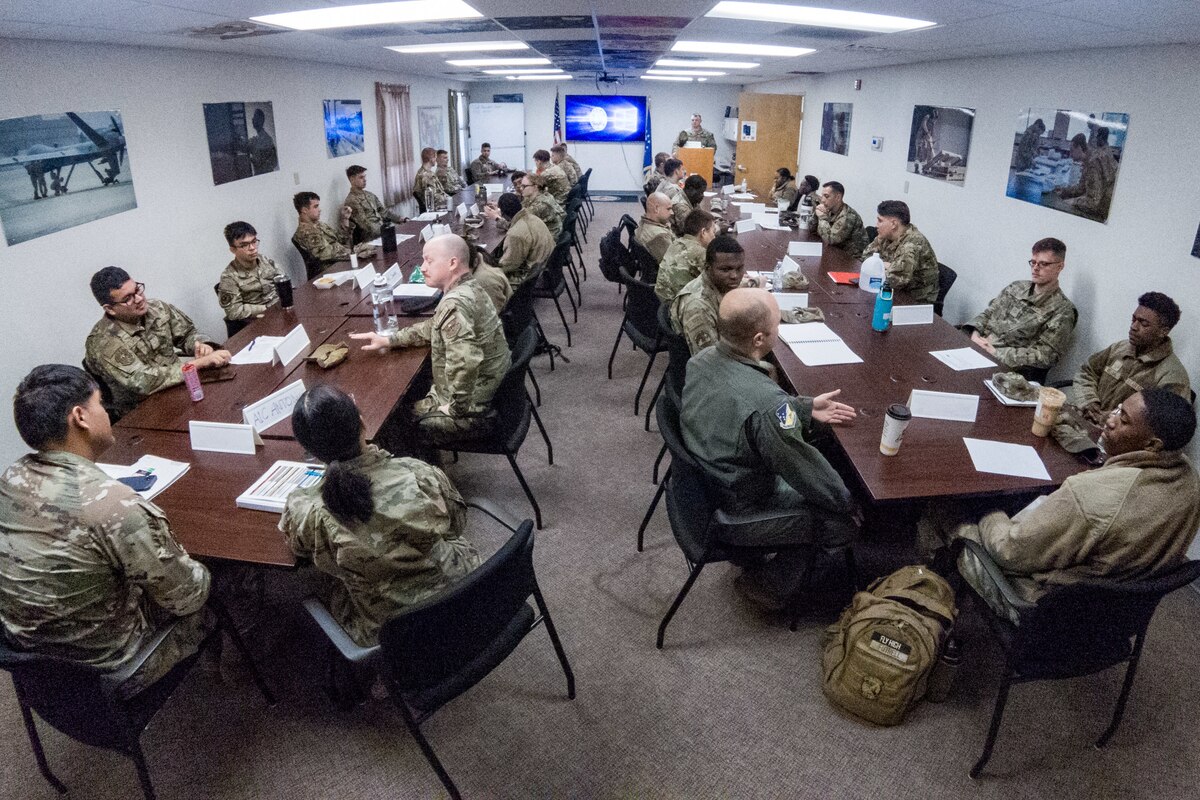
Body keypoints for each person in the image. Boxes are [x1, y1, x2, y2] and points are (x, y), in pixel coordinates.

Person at [0, 365, 211, 698]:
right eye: (101, 403)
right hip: (115, 670)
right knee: (224, 578)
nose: (108, 412)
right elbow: (189, 596)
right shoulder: (115, 506)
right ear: (80, 417)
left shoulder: (10, 479)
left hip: (33, 664)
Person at [921, 389, 1200, 625]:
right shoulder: (1190, 481)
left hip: (1040, 607)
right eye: (1116, 410)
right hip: (1118, 615)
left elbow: (1008, 551)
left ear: (1152, 444)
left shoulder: (1091, 496)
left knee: (947, 503)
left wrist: (989, 507)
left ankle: (923, 596)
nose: (1110, 420)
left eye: (1123, 420)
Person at [681, 288, 857, 608]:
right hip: (742, 506)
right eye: (778, 325)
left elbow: (749, 399)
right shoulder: (769, 408)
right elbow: (805, 471)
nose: (780, 330)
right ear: (760, 339)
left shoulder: (700, 360)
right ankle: (771, 587)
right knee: (841, 521)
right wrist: (849, 503)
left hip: (703, 490)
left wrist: (803, 408)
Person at [279, 385, 482, 648]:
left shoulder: (306, 508)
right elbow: (456, 525)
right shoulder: (418, 473)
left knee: (326, 583)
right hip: (464, 594)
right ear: (362, 423)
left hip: (393, 631)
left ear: (310, 452)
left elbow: (302, 551)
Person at [350, 234, 511, 448]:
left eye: (429, 261)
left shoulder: (454, 304)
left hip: (473, 411)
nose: (423, 267)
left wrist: (456, 408)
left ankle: (424, 476)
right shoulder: (470, 287)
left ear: (453, 263)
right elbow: (432, 326)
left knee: (387, 425)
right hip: (489, 391)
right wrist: (389, 340)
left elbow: (466, 361)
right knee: (408, 398)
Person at [84, 267, 230, 419]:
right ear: (110, 309)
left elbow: (187, 334)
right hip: (142, 410)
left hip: (179, 386)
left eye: (137, 290)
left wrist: (199, 345)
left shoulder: (157, 308)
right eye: (128, 299)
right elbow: (144, 382)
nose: (139, 299)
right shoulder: (104, 341)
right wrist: (198, 364)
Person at [672, 236, 823, 354]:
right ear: (708, 268)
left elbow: (742, 285)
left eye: (740, 268)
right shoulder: (698, 306)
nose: (734, 276)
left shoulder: (720, 284)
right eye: (726, 269)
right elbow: (709, 364)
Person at [963, 237, 1077, 377]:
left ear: (1060, 267)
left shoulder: (1062, 310)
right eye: (1033, 262)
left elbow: (1046, 355)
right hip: (977, 348)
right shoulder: (1016, 287)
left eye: (1044, 264)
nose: (1035, 268)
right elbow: (988, 312)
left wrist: (996, 353)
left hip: (1007, 369)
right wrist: (975, 334)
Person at [862, 200, 940, 303]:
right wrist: (884, 264)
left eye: (880, 221)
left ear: (894, 224)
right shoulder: (888, 235)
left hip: (915, 301)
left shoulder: (912, 244)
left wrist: (881, 265)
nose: (876, 225)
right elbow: (865, 258)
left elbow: (895, 280)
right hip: (895, 291)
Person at [483, 192, 555, 288]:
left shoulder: (515, 235)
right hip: (544, 265)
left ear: (503, 213)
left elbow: (508, 265)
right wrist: (497, 218)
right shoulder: (532, 218)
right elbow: (516, 226)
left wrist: (486, 267)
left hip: (529, 276)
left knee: (484, 279)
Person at [217, 220, 282, 324]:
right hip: (259, 321)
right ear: (233, 250)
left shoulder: (265, 260)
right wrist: (266, 308)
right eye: (244, 245)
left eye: (254, 241)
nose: (252, 248)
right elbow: (234, 312)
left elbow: (283, 281)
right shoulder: (229, 277)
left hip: (281, 310)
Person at [292, 191, 375, 267]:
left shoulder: (319, 225)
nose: (319, 210)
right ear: (304, 210)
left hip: (342, 261)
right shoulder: (305, 232)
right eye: (315, 207)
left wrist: (345, 219)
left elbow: (341, 240)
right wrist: (355, 252)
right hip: (329, 269)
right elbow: (326, 254)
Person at [655, 208, 717, 303]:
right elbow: (719, 281)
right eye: (713, 232)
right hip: (678, 306)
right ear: (703, 232)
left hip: (663, 299)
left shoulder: (677, 242)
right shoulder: (699, 252)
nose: (714, 236)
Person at [1057, 128, 1118, 220]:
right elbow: (1081, 188)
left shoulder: (1093, 162)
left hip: (1104, 210)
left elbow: (1093, 202)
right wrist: (1064, 191)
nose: (1070, 154)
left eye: (1072, 150)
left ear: (1080, 148)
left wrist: (1073, 202)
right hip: (1106, 202)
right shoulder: (1090, 158)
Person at [806, 181, 869, 260]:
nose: (822, 200)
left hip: (851, 260)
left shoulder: (848, 216)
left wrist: (822, 217)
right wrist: (816, 214)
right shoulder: (829, 209)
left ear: (838, 197)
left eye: (826, 196)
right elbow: (811, 230)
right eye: (822, 196)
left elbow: (831, 239)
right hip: (835, 253)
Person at [343, 164, 406, 241]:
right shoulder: (352, 200)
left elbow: (384, 212)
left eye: (364, 177)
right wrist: (388, 231)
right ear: (352, 179)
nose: (365, 180)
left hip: (383, 231)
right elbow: (365, 225)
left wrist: (401, 219)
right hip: (371, 238)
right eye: (361, 177)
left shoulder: (369, 195)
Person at [512, 172, 564, 240]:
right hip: (549, 233)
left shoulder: (540, 205)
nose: (521, 188)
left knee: (513, 237)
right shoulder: (541, 195)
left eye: (524, 186)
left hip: (549, 241)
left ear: (535, 187)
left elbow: (515, 226)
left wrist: (497, 218)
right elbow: (522, 208)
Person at [635, 191, 677, 267]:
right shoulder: (660, 236)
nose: (672, 213)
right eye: (669, 209)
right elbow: (673, 264)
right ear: (656, 209)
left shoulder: (644, 222)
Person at [413, 146, 448, 211]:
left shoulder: (427, 172)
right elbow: (433, 198)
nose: (436, 160)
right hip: (436, 208)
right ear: (431, 159)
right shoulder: (426, 176)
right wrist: (448, 199)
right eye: (435, 157)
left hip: (439, 205)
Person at [247, 107, 278, 176]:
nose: (252, 119)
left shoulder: (267, 139)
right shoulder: (256, 139)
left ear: (260, 120)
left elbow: (273, 162)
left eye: (255, 117)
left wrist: (255, 161)